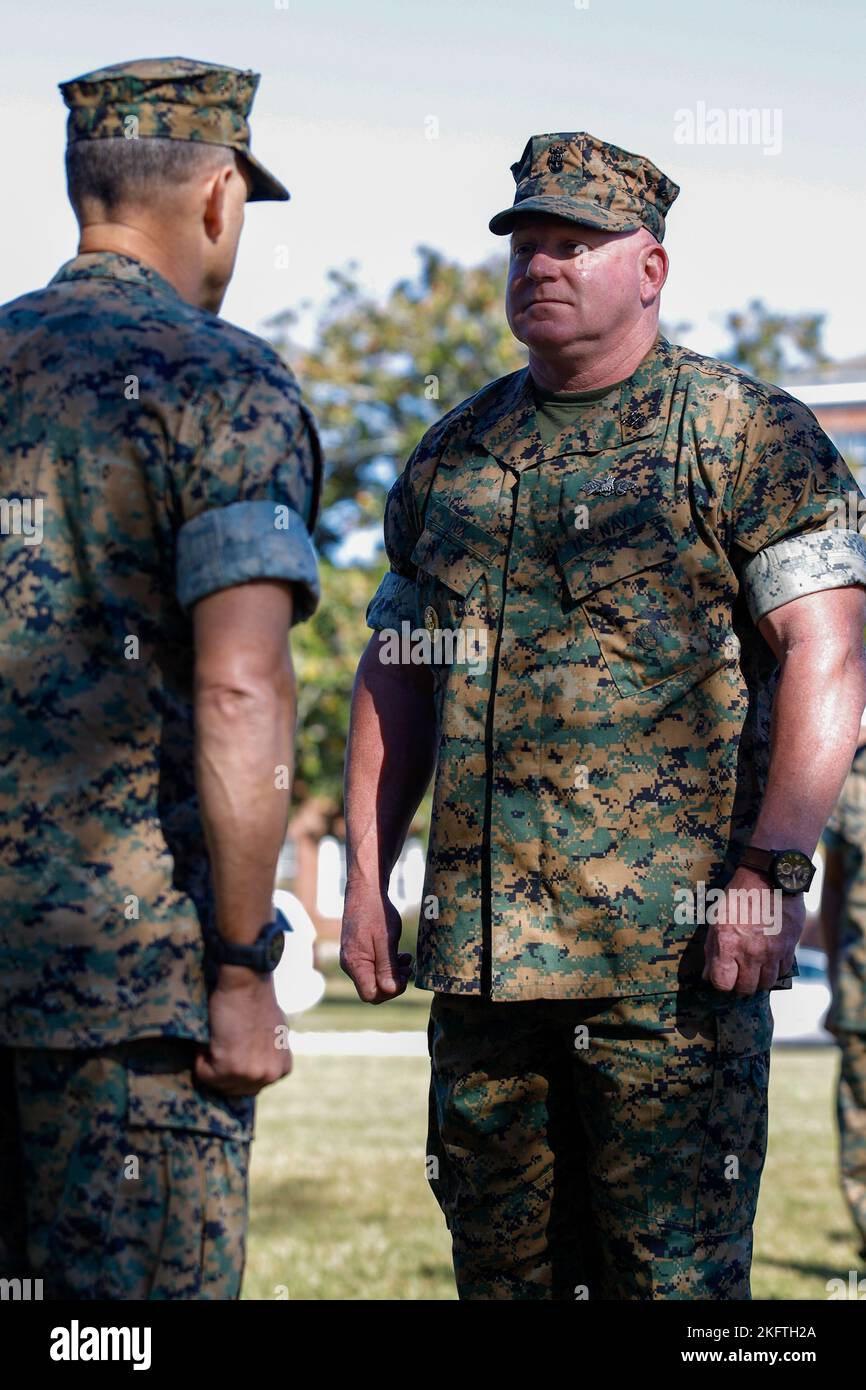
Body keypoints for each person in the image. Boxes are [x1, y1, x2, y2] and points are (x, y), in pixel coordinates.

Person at [341, 130, 866, 1299]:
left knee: (669, 1288)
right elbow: (395, 671)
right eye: (525, 242)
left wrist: (770, 873)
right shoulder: (452, 457)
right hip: (483, 975)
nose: (541, 262)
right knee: (503, 1280)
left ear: (651, 268)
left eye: (574, 241)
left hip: (667, 973)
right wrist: (366, 872)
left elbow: (828, 654)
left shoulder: (742, 434)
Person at [0, 57, 322, 1300]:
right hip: (134, 1010)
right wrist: (242, 969)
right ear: (219, 197)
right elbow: (243, 694)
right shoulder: (221, 383)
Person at [819, 709, 866, 1268]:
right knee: (859, 1134)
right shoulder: (849, 777)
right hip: (859, 993)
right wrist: (833, 980)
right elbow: (831, 890)